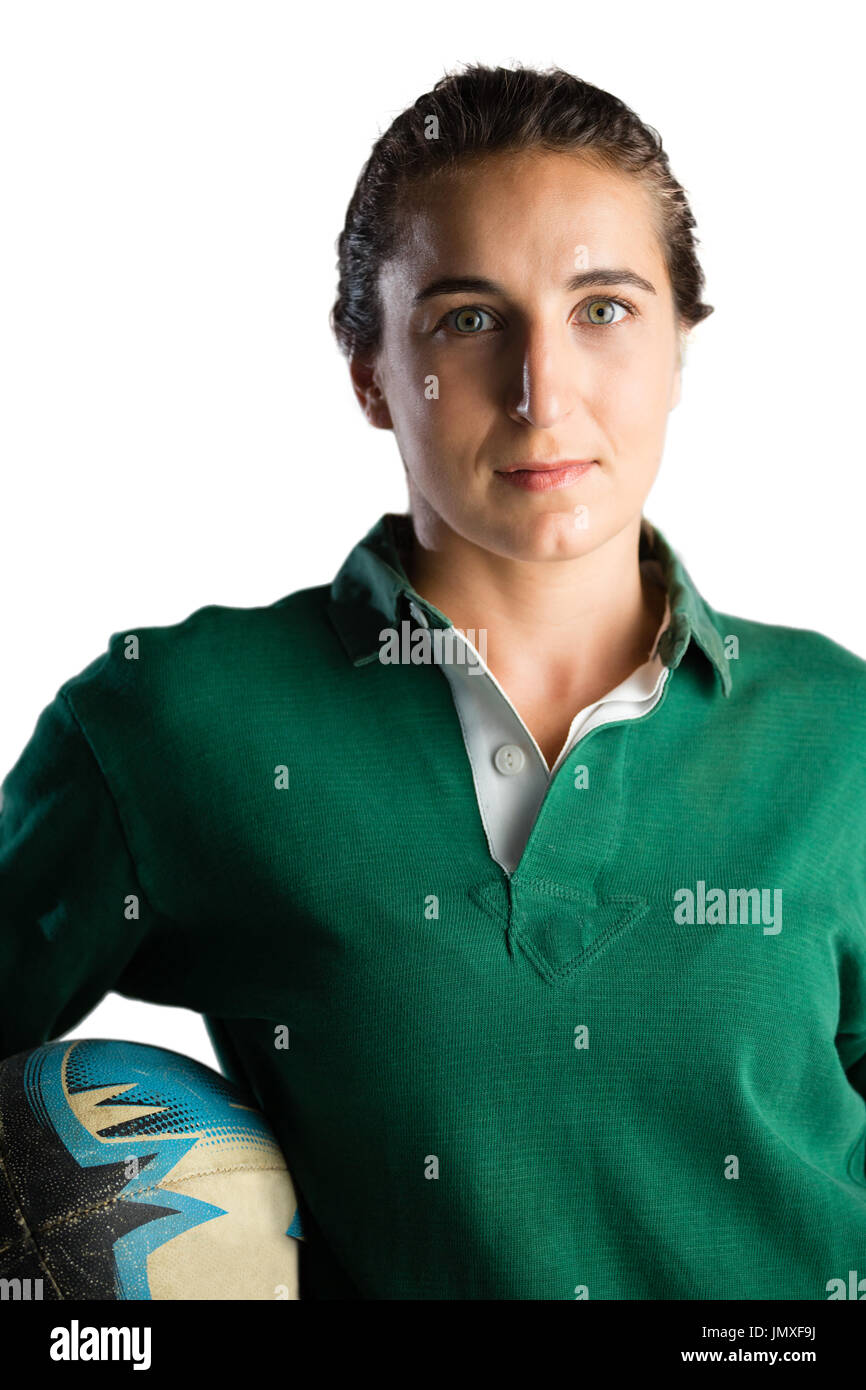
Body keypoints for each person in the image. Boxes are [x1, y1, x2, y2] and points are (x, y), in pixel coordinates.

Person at [2, 62, 865, 1301]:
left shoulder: (837, 732)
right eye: (467, 319)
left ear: (679, 345)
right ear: (368, 370)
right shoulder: (175, 723)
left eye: (603, 309)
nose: (540, 392)